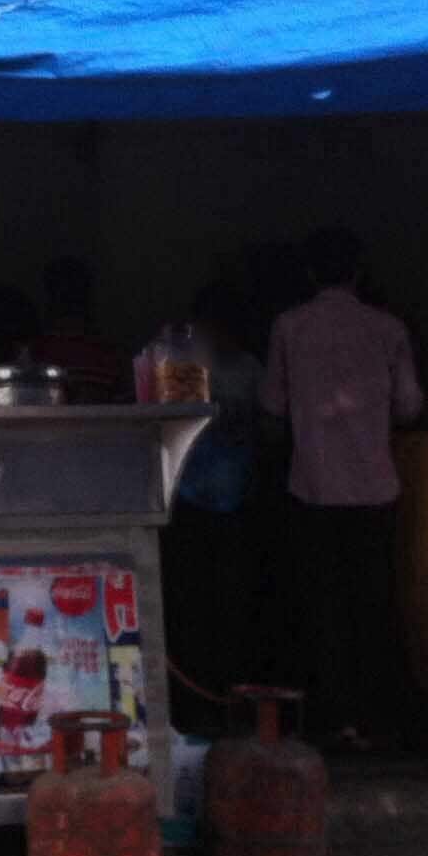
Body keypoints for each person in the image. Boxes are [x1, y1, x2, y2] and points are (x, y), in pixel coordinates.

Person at [260, 227, 423, 749]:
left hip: (313, 488)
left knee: (322, 607)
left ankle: (334, 720)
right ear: (358, 272)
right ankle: (379, 718)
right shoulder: (388, 328)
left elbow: (272, 404)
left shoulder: (290, 326)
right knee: (374, 604)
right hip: (376, 488)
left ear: (310, 274)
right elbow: (409, 406)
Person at [162, 287, 269, 707]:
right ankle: (195, 698)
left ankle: (229, 697)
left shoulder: (249, 369)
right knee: (191, 602)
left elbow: (269, 426)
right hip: (188, 498)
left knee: (231, 603)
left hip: (234, 499)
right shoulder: (184, 366)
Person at [28, 254, 127, 402]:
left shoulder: (112, 355)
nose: (68, 297)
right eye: (62, 291)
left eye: (73, 291)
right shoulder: (34, 354)